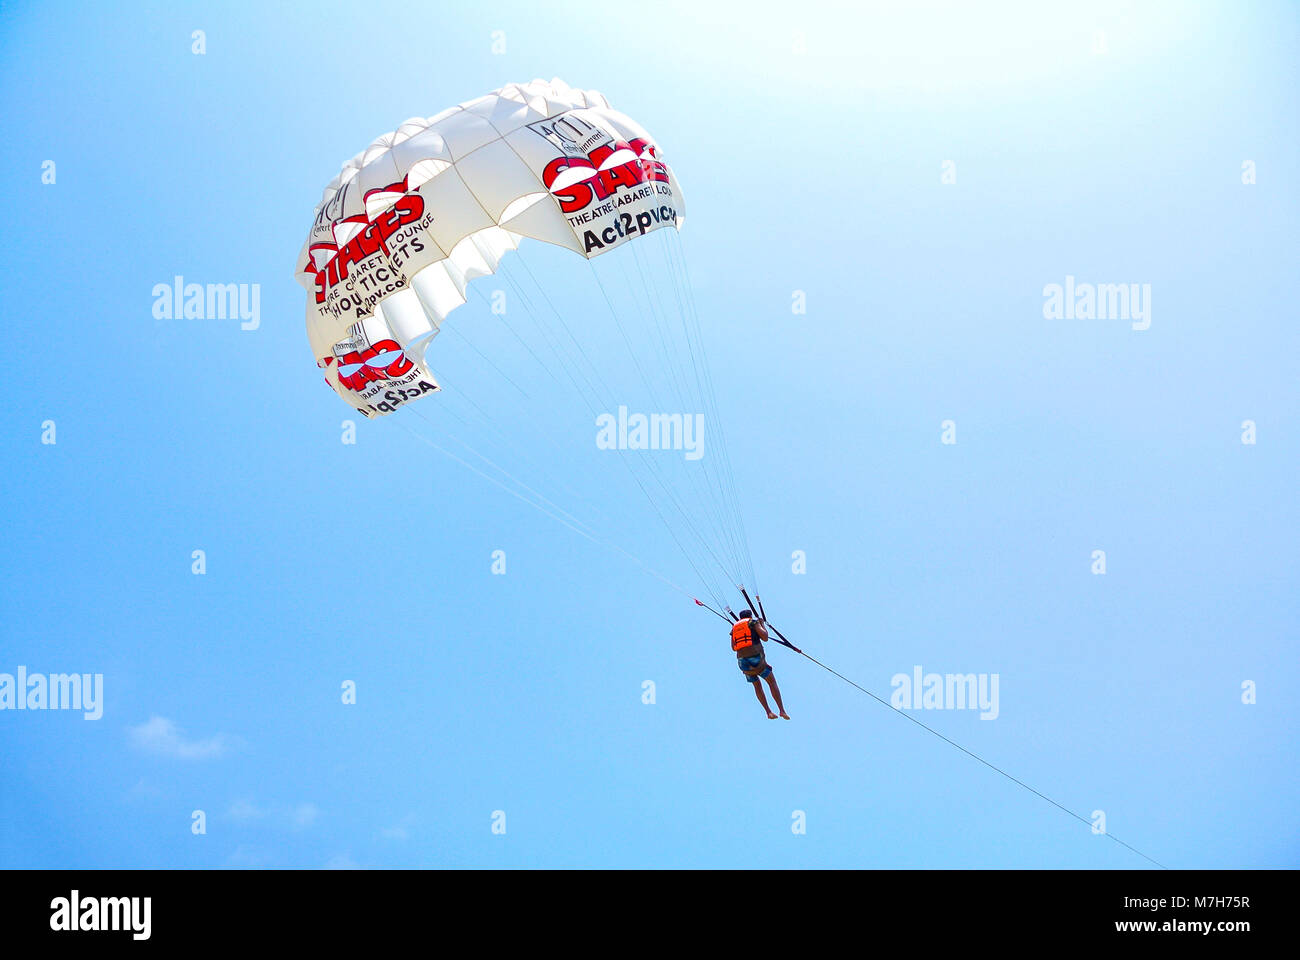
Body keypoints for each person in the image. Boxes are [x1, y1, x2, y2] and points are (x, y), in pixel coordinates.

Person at [731, 610, 789, 719]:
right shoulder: (752, 622)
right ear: (750, 616)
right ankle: (782, 710)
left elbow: (734, 648)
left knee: (757, 686)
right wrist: (761, 624)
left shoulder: (734, 628)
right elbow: (765, 637)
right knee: (771, 682)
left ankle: (768, 712)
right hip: (755, 659)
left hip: (743, 663)